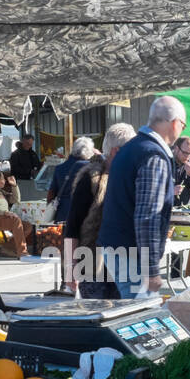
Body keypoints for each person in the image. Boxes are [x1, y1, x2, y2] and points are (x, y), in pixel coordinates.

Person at [97, 96, 186, 299]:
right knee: (142, 317)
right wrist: (151, 268)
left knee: (135, 312)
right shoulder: (152, 155)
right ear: (174, 123)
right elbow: (148, 215)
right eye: (183, 125)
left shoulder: (130, 148)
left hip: (118, 247)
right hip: (131, 252)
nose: (182, 130)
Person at [65, 123, 135, 298]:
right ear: (116, 152)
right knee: (100, 319)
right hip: (92, 265)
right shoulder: (90, 179)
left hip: (125, 264)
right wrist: (70, 269)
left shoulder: (129, 178)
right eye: (131, 151)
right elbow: (72, 226)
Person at [0, 168, 33, 258]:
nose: (4, 181)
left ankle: (6, 247)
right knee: (15, 220)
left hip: (3, 219)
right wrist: (4, 212)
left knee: (27, 226)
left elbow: (16, 200)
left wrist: (14, 186)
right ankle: (22, 252)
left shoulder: (2, 192)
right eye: (3, 178)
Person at [46, 136, 94, 225]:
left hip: (63, 214)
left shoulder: (59, 168)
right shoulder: (90, 168)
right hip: (83, 215)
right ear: (87, 152)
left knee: (65, 238)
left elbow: (51, 193)